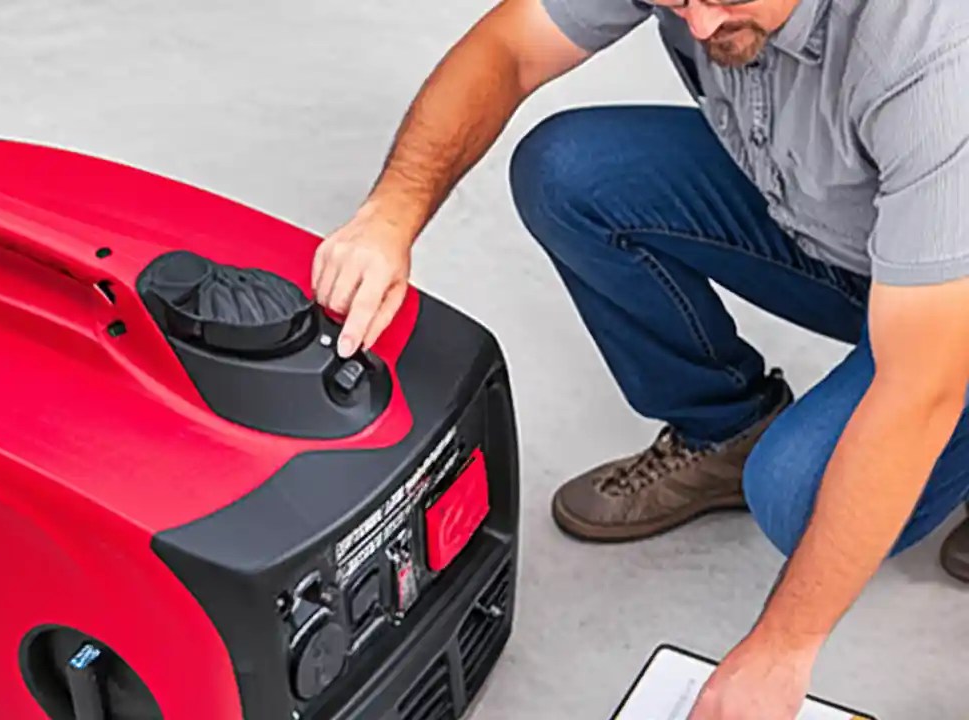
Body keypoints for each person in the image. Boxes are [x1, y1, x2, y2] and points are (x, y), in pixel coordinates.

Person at [309, 0, 969, 717]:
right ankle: (725, 428)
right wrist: (392, 213)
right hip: (854, 235)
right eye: (675, 3)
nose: (701, 28)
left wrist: (783, 647)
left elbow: (917, 388)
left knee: (794, 496)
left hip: (948, 288)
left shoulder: (934, 53)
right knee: (568, 175)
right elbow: (511, 46)